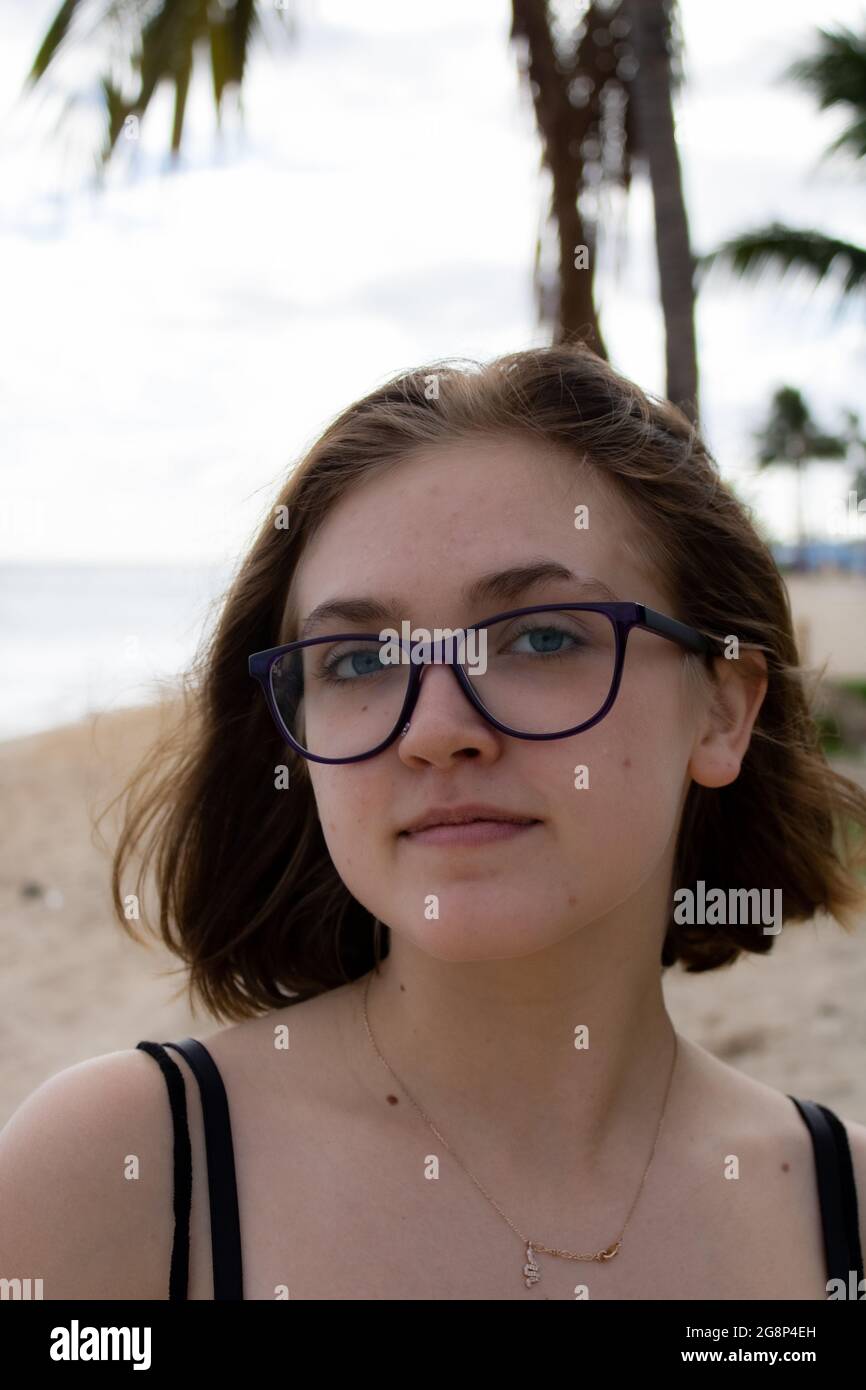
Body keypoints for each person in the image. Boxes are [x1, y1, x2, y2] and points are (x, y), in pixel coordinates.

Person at [2, 344, 865, 1301]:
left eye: (542, 637)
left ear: (722, 711)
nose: (436, 731)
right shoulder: (123, 1177)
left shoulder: (845, 1214)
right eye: (361, 660)